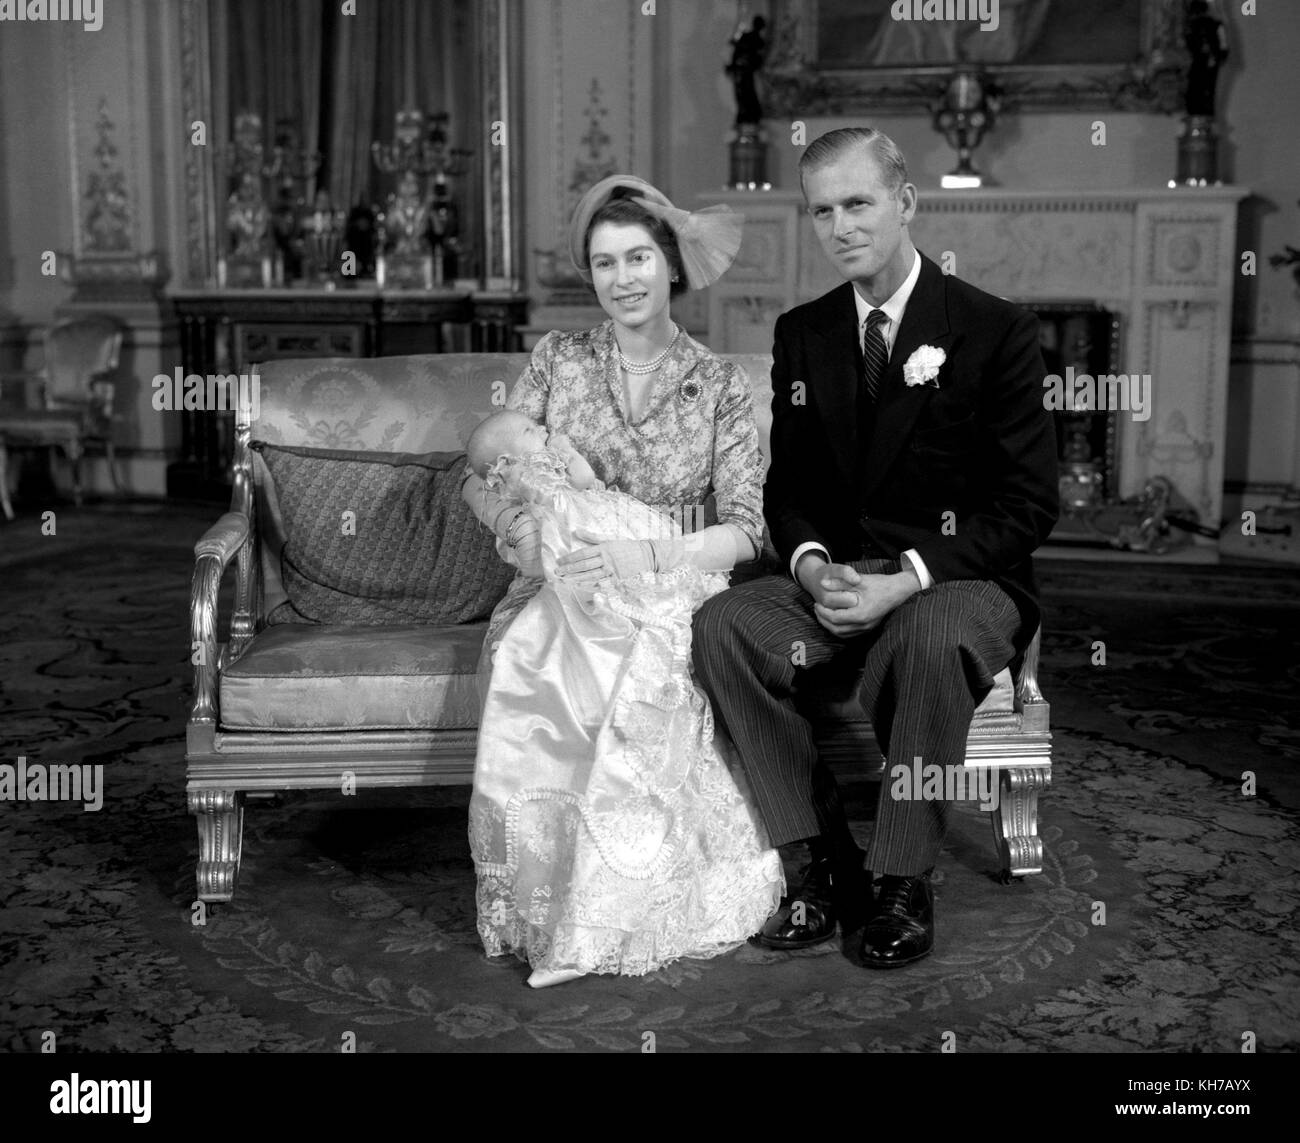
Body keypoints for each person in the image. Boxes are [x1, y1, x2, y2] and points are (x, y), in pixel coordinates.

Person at [692, 127, 1059, 968]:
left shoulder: (993, 330)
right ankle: (818, 860)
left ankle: (900, 877)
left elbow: (1031, 504)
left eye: (858, 203)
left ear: (906, 203)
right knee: (722, 627)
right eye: (822, 210)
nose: (841, 226)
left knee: (925, 637)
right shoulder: (805, 333)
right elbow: (792, 492)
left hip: (962, 576)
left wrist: (911, 578)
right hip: (843, 571)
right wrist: (815, 564)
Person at [461, 176, 782, 987]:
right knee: (539, 656)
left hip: (667, 579)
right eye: (604, 263)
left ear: (670, 264)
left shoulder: (719, 384)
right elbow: (481, 472)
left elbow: (747, 530)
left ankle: (630, 898)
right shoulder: (559, 362)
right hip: (561, 583)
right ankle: (556, 897)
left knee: (642, 671)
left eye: (638, 256)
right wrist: (514, 525)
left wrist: (644, 557)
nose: (623, 278)